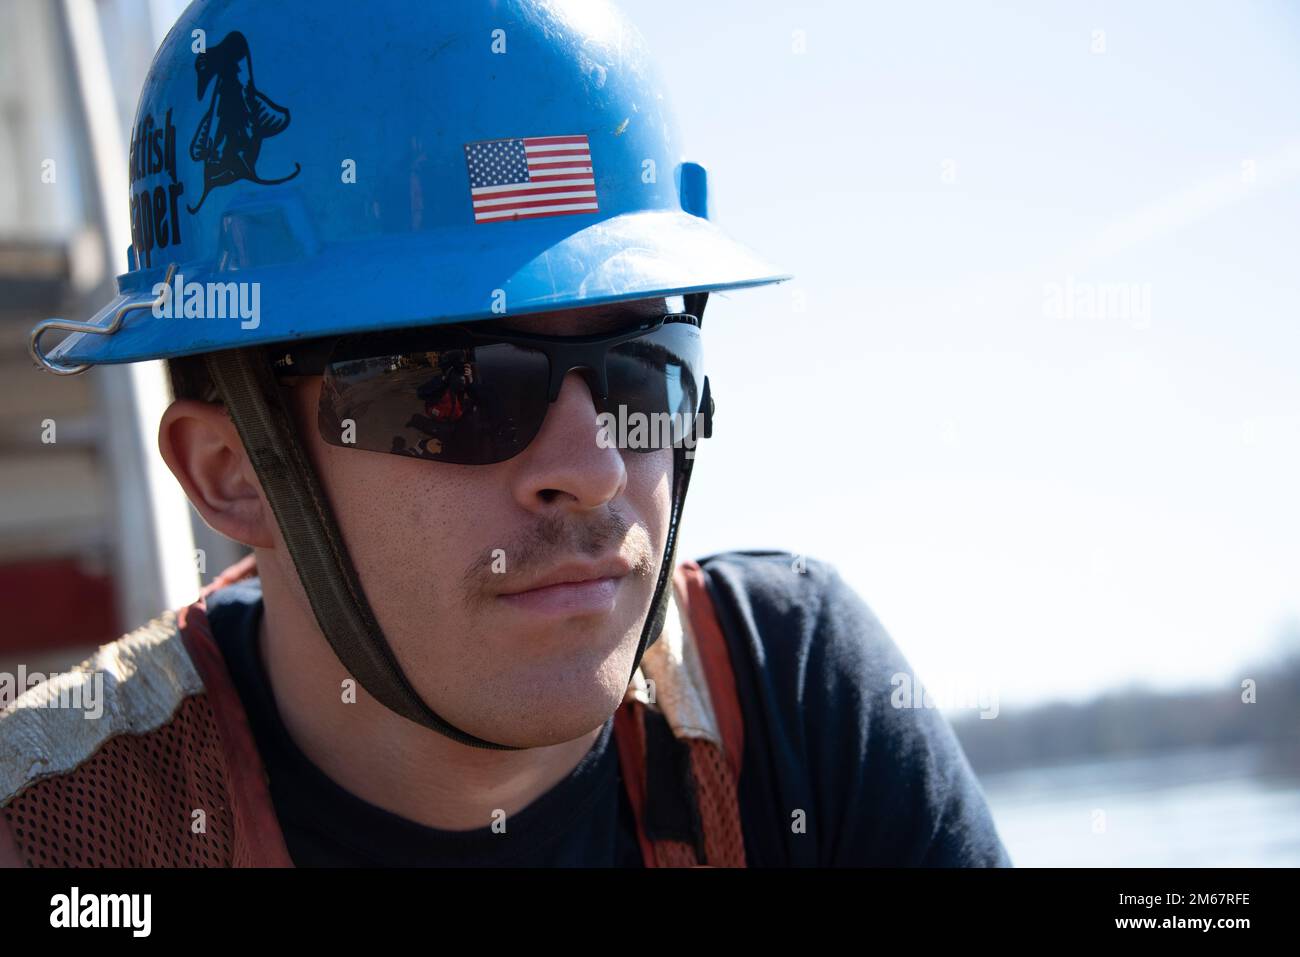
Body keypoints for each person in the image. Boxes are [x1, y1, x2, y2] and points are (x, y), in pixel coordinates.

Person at [4, 0, 1011, 867]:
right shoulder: (57, 837)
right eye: (459, 392)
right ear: (231, 475)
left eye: (639, 372)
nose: (591, 467)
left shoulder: (789, 702)